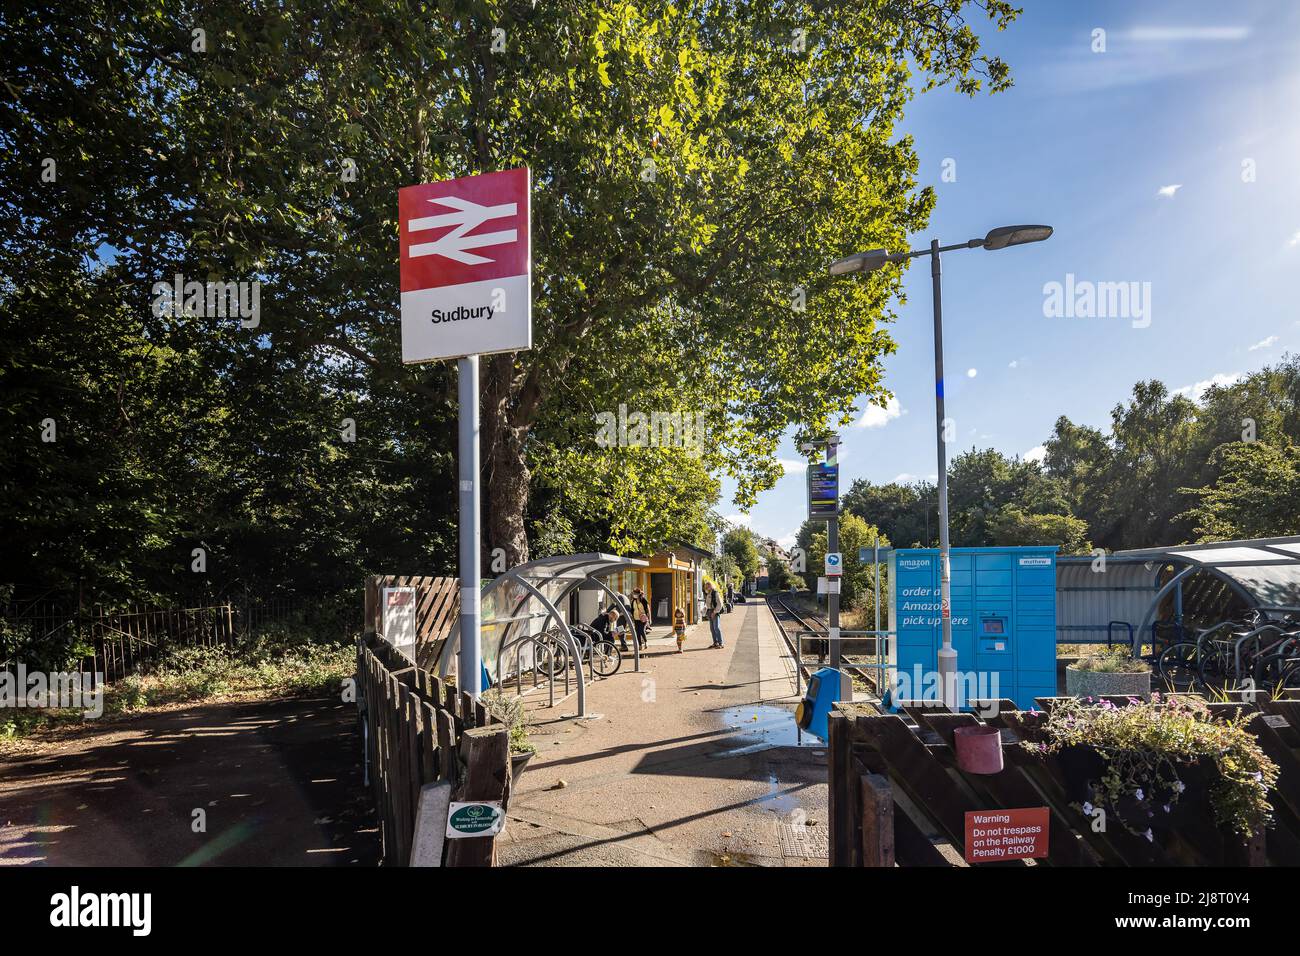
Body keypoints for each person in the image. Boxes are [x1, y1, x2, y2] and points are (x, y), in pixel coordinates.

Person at [702, 580, 724, 648]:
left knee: (716, 627)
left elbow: (720, 604)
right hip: (709, 611)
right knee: (712, 628)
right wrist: (704, 611)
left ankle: (721, 643)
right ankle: (715, 642)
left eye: (709, 585)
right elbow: (707, 604)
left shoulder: (715, 593)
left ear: (711, 586)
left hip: (714, 611)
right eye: (706, 585)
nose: (708, 587)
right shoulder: (708, 593)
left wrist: (714, 612)